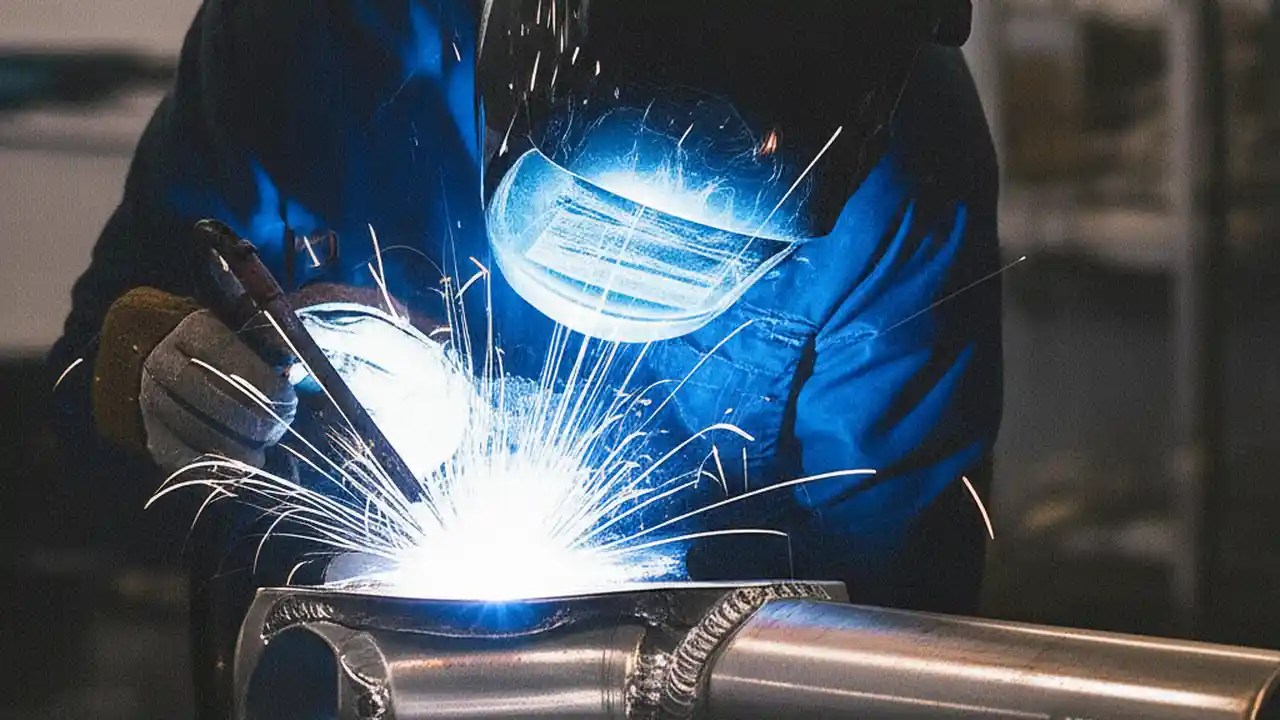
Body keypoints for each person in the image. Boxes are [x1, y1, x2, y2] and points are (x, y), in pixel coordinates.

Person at [50, 0, 1000, 715]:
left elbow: (901, 605)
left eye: (716, 238)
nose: (629, 267)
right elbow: (98, 349)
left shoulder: (907, 167)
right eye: (599, 199)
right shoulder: (313, 33)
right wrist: (152, 365)